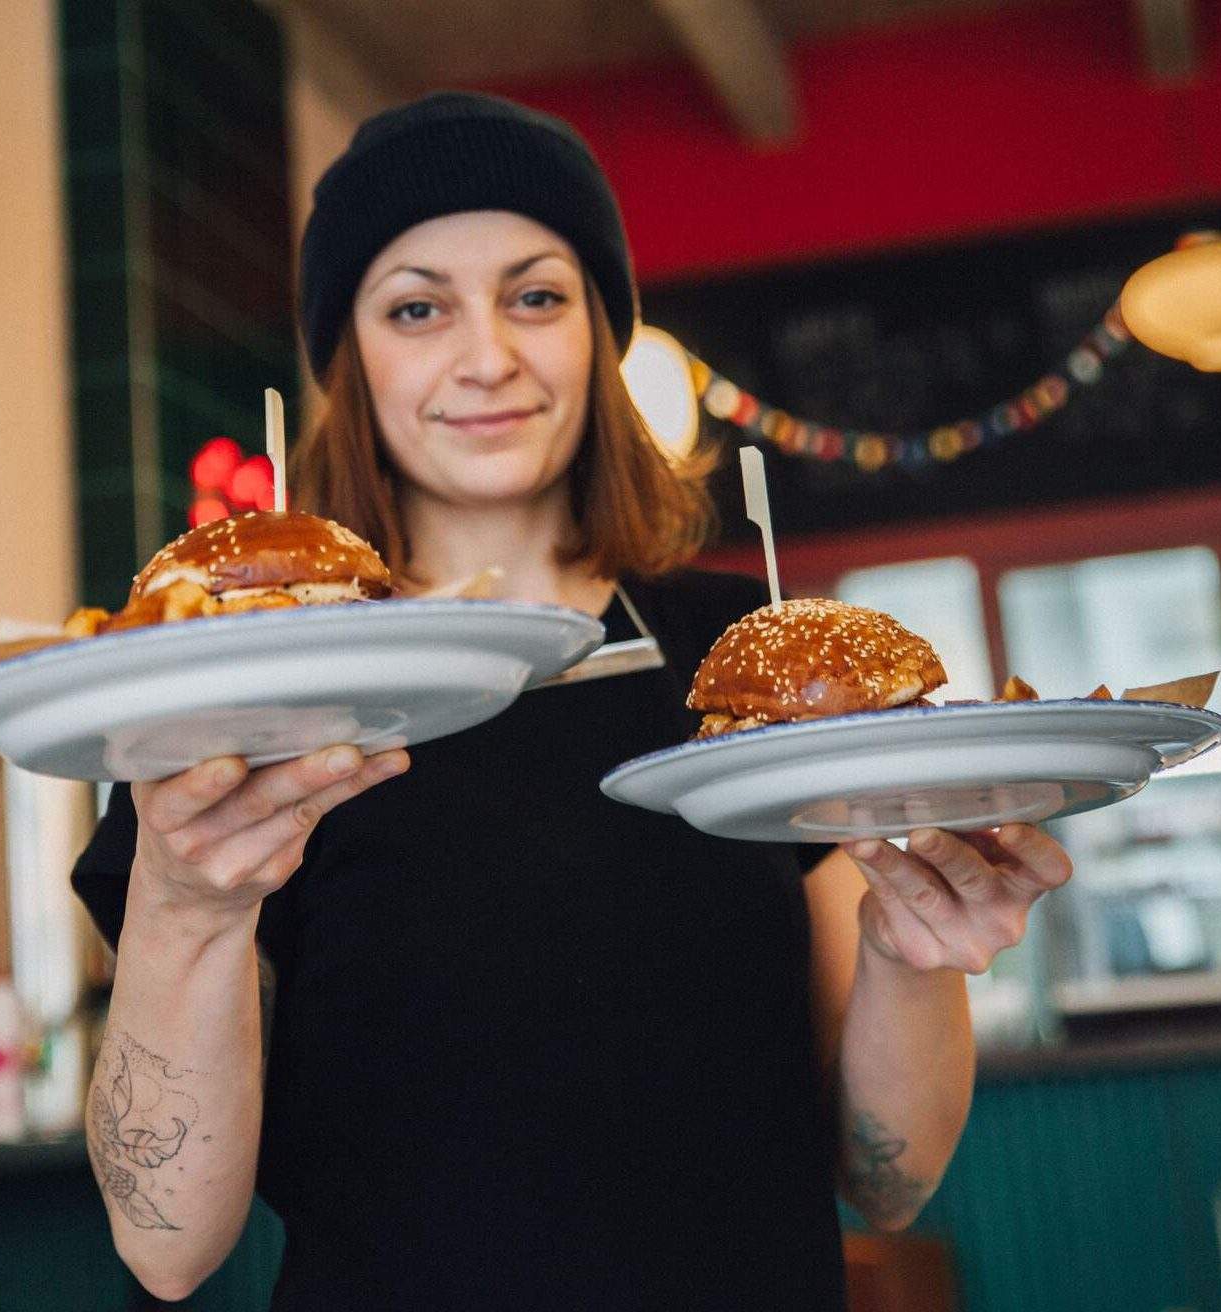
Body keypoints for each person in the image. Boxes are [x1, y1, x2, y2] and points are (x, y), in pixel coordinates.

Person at [71, 92, 1073, 1309]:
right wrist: (184, 909)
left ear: (599, 332)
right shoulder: (247, 697)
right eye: (417, 307)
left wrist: (909, 959)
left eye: (536, 296)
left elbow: (887, 1181)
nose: (486, 355)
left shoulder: (747, 668)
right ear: (349, 358)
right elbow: (167, 1246)